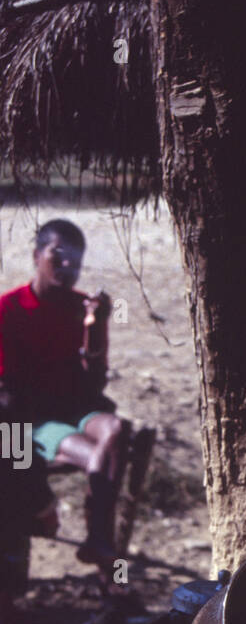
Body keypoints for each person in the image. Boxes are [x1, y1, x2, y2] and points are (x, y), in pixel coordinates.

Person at [0, 219, 127, 581]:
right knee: (101, 457)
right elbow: (8, 395)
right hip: (33, 419)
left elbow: (95, 383)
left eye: (75, 261)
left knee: (115, 429)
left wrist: (94, 326)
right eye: (58, 257)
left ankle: (98, 537)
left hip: (78, 407)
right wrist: (21, 451)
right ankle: (102, 549)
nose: (67, 268)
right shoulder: (9, 309)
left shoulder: (81, 306)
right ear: (37, 256)